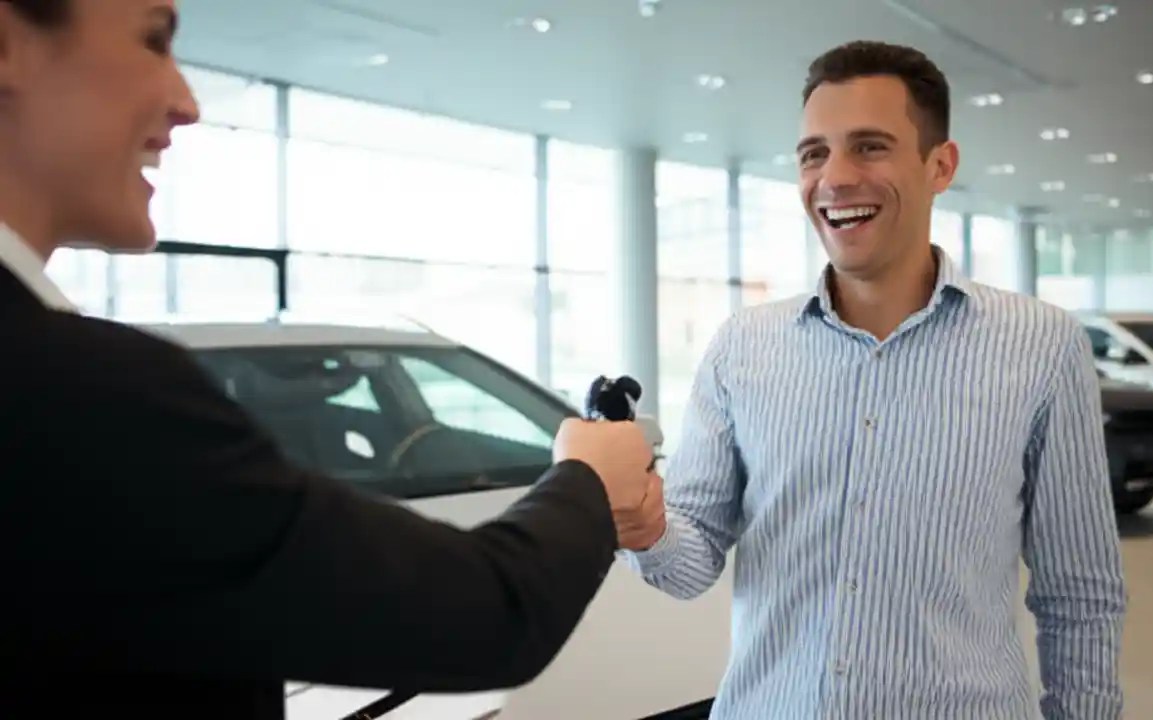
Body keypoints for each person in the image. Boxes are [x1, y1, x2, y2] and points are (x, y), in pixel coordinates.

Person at [0, 1, 659, 717]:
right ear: (8, 42)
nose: (187, 102)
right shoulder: (85, 390)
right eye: (154, 41)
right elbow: (485, 611)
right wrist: (591, 480)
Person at [615, 40, 1127, 719]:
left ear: (939, 165)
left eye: (870, 147)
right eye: (813, 153)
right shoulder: (743, 347)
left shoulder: (1041, 346)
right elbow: (693, 559)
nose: (835, 177)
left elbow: (1080, 595)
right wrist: (643, 525)